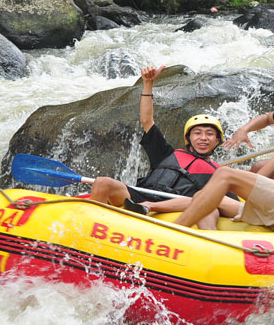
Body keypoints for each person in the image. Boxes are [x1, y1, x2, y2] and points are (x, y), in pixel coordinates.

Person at [89, 65, 228, 229]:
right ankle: (91, 231)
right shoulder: (166, 154)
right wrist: (148, 83)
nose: (203, 138)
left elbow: (226, 203)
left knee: (202, 197)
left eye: (210, 134)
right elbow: (147, 120)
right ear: (188, 138)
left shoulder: (220, 174)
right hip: (141, 195)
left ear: (218, 140)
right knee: (102, 182)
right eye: (197, 133)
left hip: (176, 204)